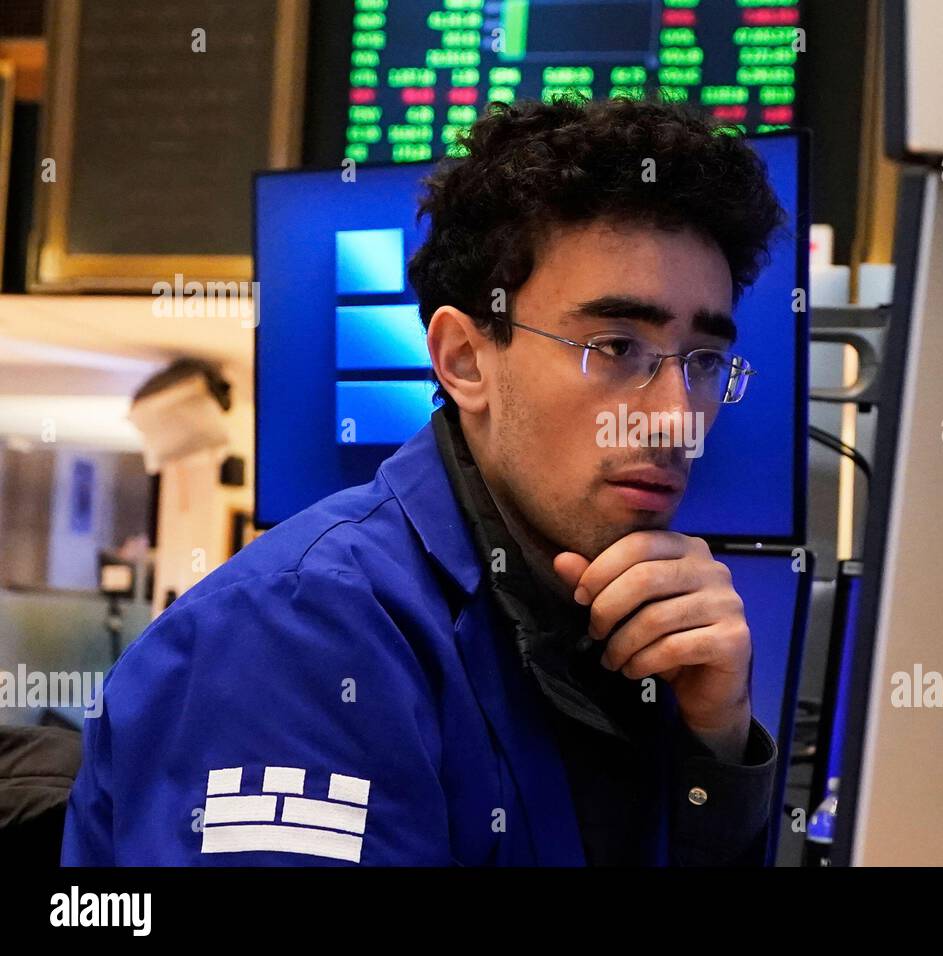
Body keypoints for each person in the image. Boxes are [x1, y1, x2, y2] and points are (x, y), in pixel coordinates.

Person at [61, 97, 786, 866]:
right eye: (614, 347)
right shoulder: (299, 632)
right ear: (464, 360)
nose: (676, 417)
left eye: (704, 361)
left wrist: (718, 740)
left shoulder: (606, 625)